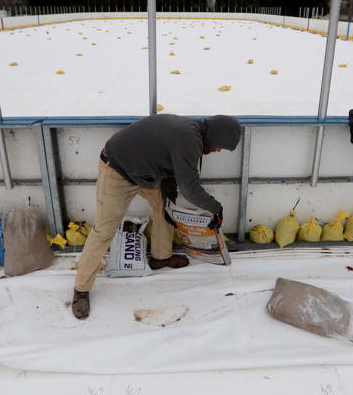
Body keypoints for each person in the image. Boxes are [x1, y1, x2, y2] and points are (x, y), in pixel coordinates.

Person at [72, 114, 242, 319]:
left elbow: (172, 172)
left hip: (145, 173)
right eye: (218, 146)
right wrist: (216, 208)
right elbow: (190, 188)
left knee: (165, 208)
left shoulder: (192, 130)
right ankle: (80, 289)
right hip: (117, 169)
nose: (216, 151)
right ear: (214, 136)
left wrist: (168, 198)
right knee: (104, 230)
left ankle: (161, 258)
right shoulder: (189, 140)